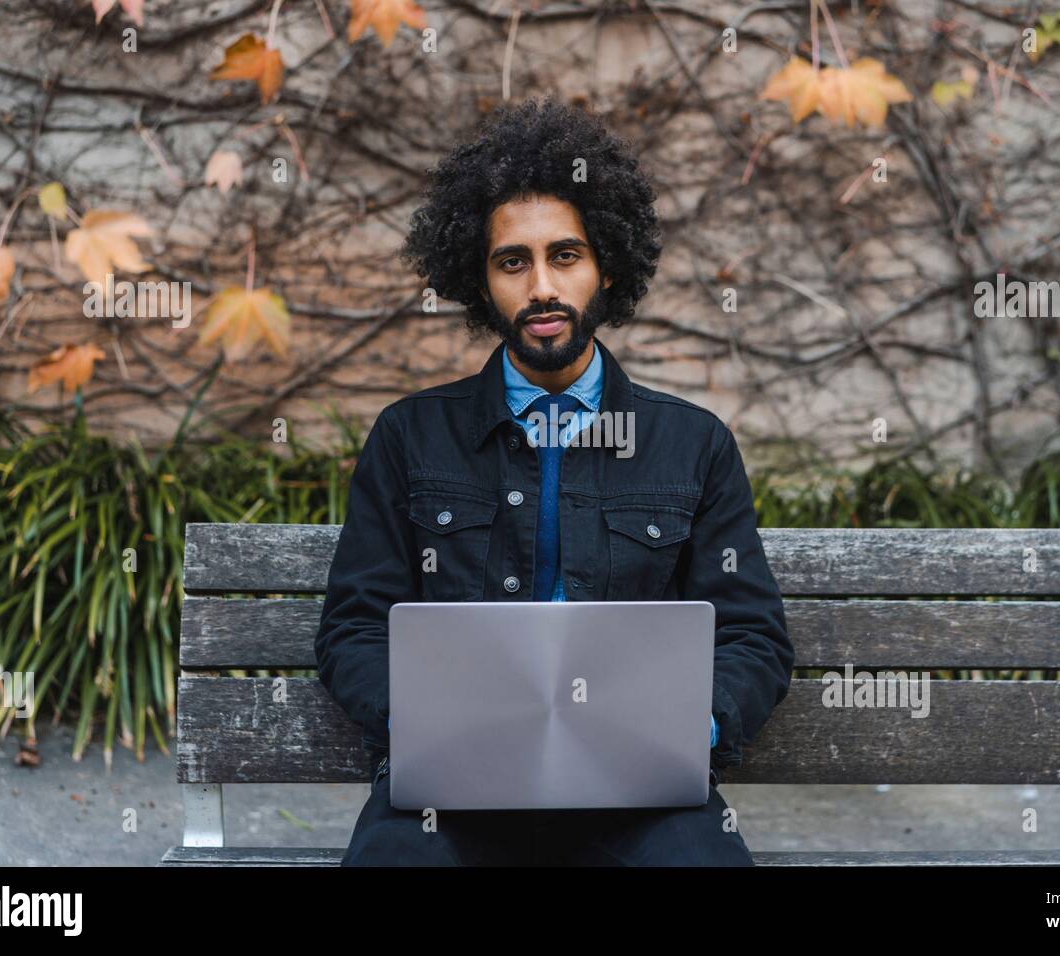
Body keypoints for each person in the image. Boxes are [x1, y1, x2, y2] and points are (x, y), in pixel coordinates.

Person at [315, 97, 794, 865]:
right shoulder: (411, 438)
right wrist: (421, 722)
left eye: (565, 256)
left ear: (607, 264)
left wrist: (686, 727)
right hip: (452, 790)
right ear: (479, 279)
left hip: (639, 790)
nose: (542, 287)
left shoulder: (691, 445)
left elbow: (752, 635)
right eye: (513, 262)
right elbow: (354, 628)